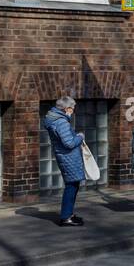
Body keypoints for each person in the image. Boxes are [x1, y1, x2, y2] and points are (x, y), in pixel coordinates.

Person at [44, 96, 86, 227]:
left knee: (73, 184)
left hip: (66, 156)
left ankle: (69, 214)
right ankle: (66, 217)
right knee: (71, 185)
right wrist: (80, 137)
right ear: (67, 108)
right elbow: (69, 143)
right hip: (68, 157)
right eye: (72, 108)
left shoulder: (55, 119)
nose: (73, 111)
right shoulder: (61, 122)